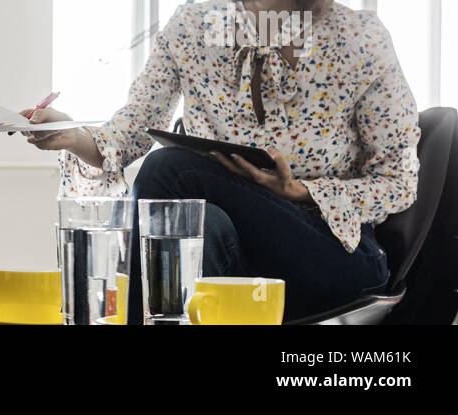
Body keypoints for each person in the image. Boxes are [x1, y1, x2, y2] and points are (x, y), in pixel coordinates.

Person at [23, 0, 419, 320]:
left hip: (331, 257)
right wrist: (71, 136)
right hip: (231, 262)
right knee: (196, 223)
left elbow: (399, 181)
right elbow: (130, 131)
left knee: (168, 168)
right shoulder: (194, 25)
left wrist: (299, 191)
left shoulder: (360, 37)